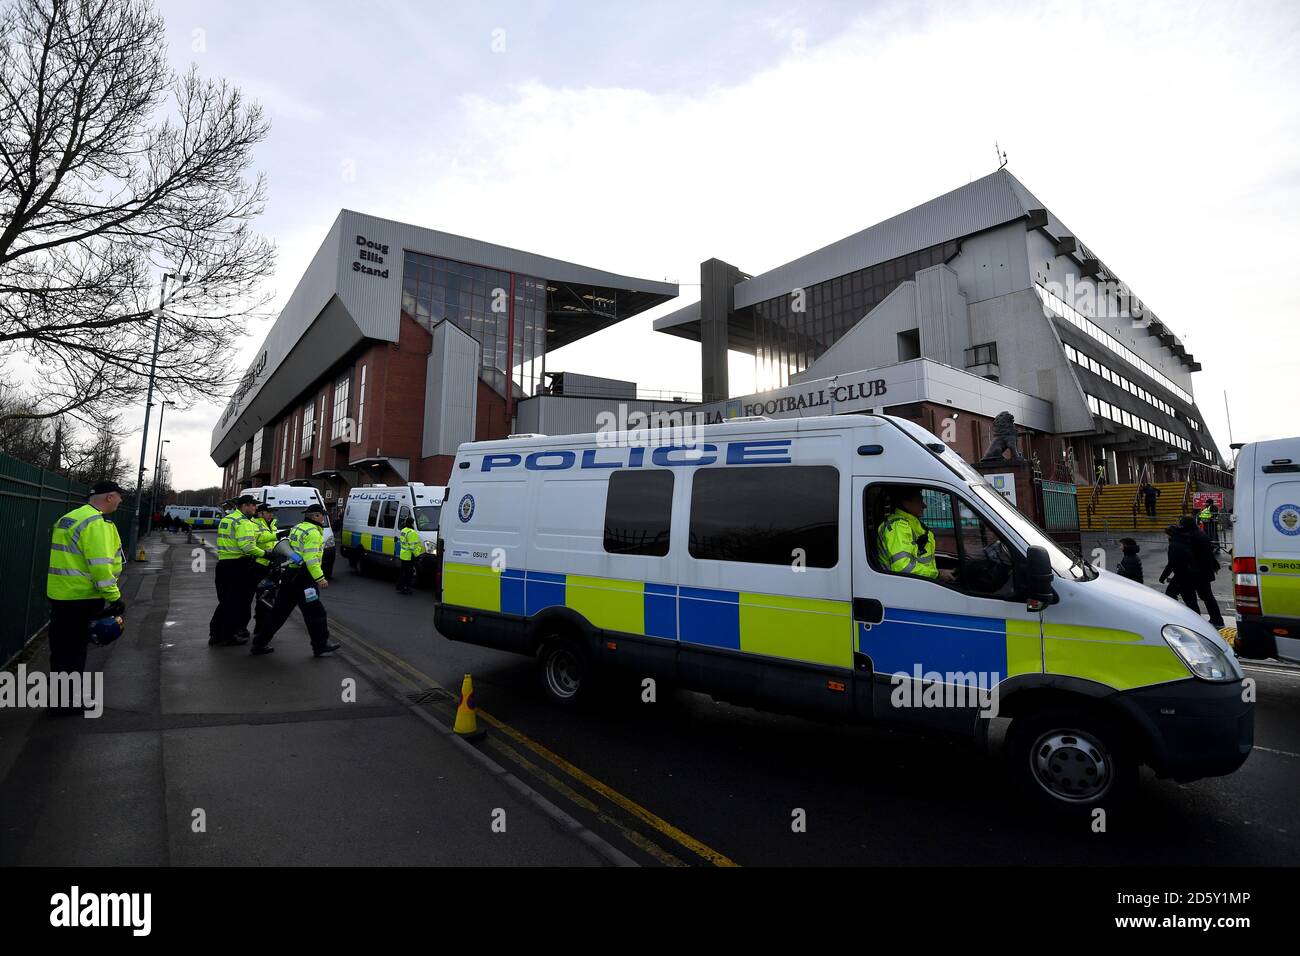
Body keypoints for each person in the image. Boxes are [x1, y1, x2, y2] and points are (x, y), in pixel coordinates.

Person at [46, 480, 127, 683]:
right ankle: (69, 702)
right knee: (75, 652)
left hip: (59, 595)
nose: (121, 500)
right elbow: (100, 567)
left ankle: (59, 701)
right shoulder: (96, 524)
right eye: (119, 495)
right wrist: (114, 597)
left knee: (61, 650)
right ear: (109, 497)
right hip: (82, 597)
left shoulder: (68, 518)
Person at [250, 504, 341, 657]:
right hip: (304, 578)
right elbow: (311, 559)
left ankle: (259, 643)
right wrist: (320, 578)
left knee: (278, 612)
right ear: (315, 516)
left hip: (290, 575)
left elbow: (291, 549)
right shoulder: (313, 533)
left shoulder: (298, 527)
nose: (324, 517)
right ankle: (320, 645)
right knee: (316, 613)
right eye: (322, 515)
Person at [208, 494, 265, 646]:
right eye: (253, 505)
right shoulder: (243, 522)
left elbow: (257, 537)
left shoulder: (228, 519)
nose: (255, 508)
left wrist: (274, 536)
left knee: (225, 601)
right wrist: (266, 554)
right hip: (238, 566)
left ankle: (215, 633)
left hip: (224, 565)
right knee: (235, 603)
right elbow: (247, 546)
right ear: (245, 506)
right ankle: (228, 636)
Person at [877, 487, 956, 583]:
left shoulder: (910, 523)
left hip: (920, 583)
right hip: (907, 587)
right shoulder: (898, 527)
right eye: (920, 501)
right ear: (906, 502)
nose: (924, 505)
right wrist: (937, 574)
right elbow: (903, 568)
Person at [396, 516, 421, 594]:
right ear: (412, 523)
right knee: (409, 573)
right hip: (410, 556)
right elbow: (412, 547)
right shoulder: (412, 533)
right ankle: (406, 588)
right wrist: (417, 555)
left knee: (403, 572)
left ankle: (400, 587)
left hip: (403, 554)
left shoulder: (403, 530)